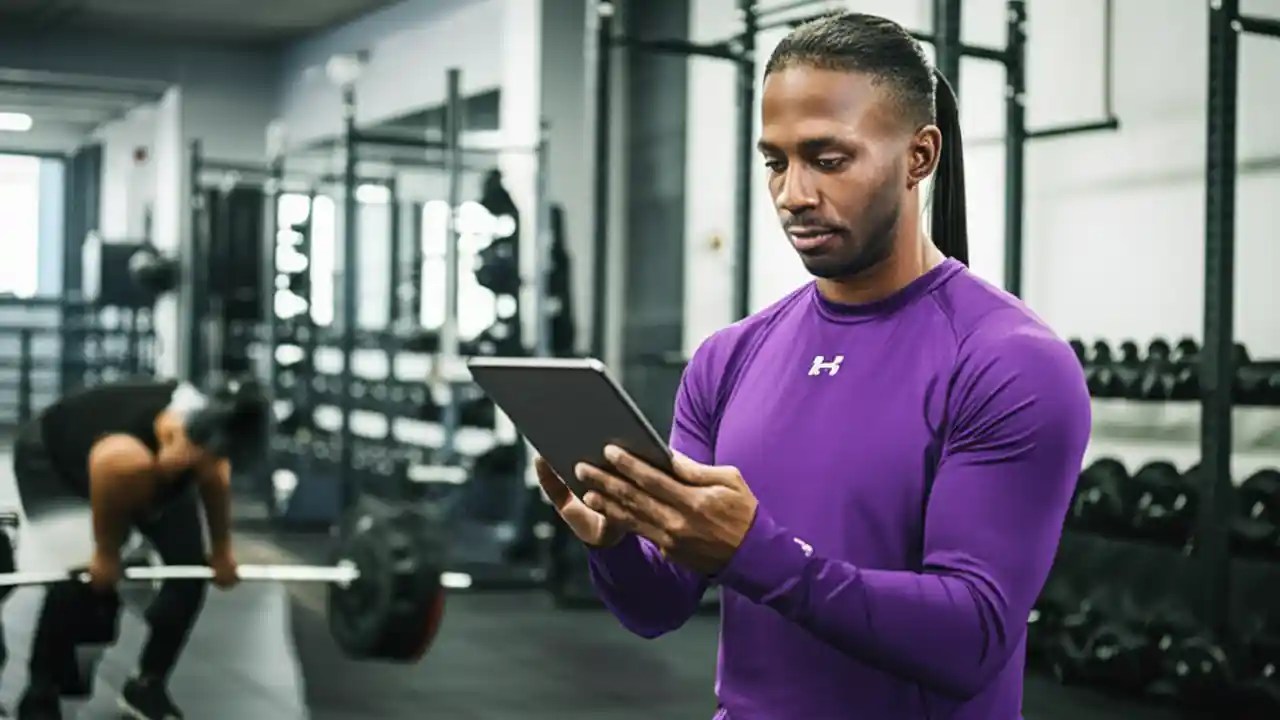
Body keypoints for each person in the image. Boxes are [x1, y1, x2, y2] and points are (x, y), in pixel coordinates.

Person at [534, 11, 1091, 720]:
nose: (793, 194)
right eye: (776, 161)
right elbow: (658, 607)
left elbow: (970, 637)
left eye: (828, 159)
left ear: (919, 156)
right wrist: (614, 543)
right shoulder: (729, 358)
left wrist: (757, 553)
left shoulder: (1008, 362)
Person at [7, 377, 267, 719]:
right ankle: (40, 694)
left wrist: (221, 551)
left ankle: (148, 684)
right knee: (81, 580)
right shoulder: (128, 457)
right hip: (52, 456)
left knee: (188, 570)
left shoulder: (210, 437)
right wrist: (106, 554)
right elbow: (107, 469)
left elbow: (216, 476)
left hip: (143, 461)